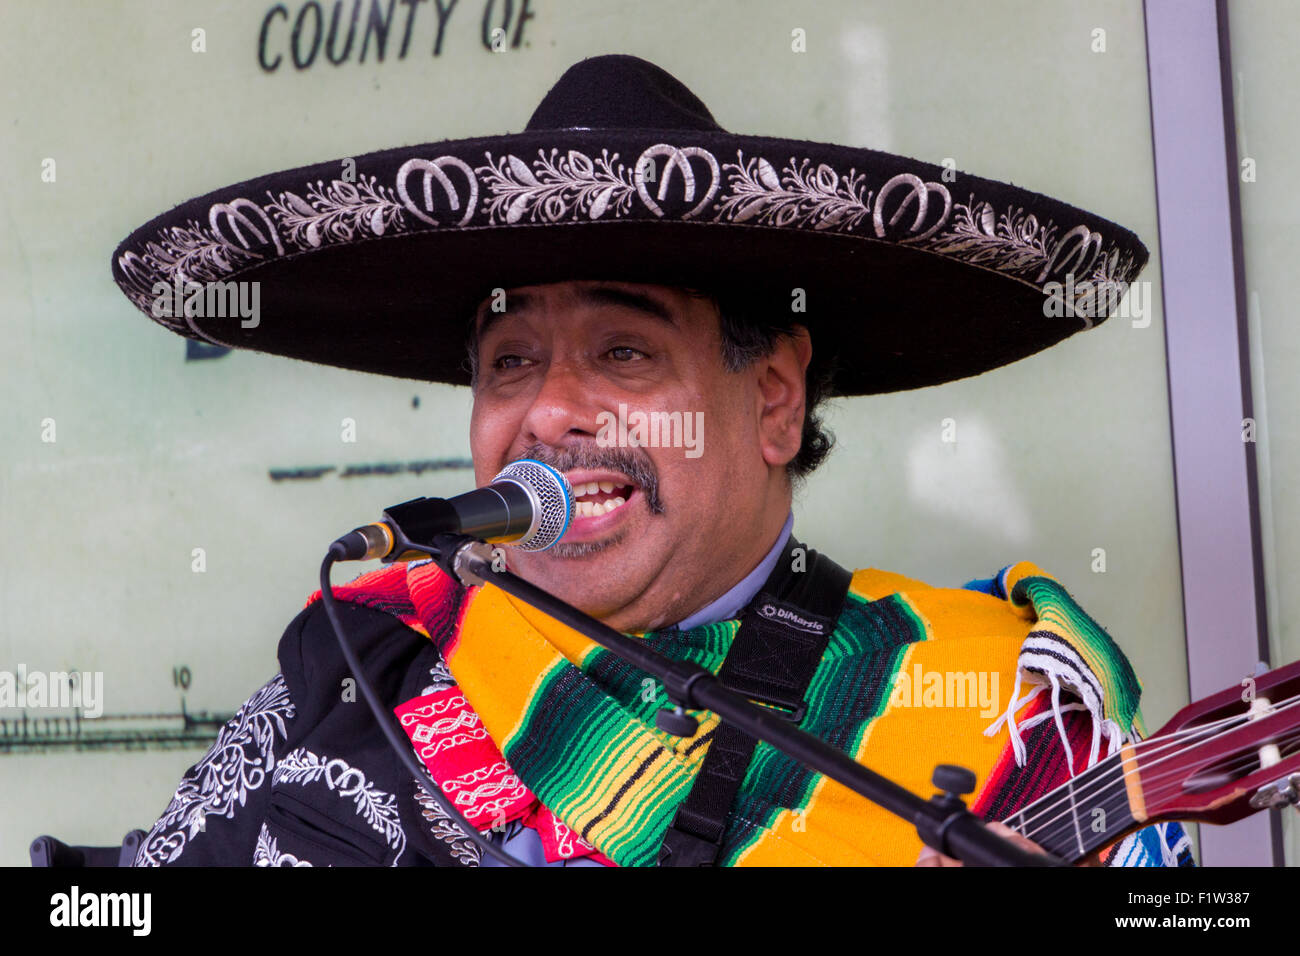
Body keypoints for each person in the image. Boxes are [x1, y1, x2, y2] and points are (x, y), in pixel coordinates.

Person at [110, 54, 1193, 867]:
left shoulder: (1006, 701)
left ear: (772, 399)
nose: (549, 411)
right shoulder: (371, 657)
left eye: (621, 352)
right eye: (510, 361)